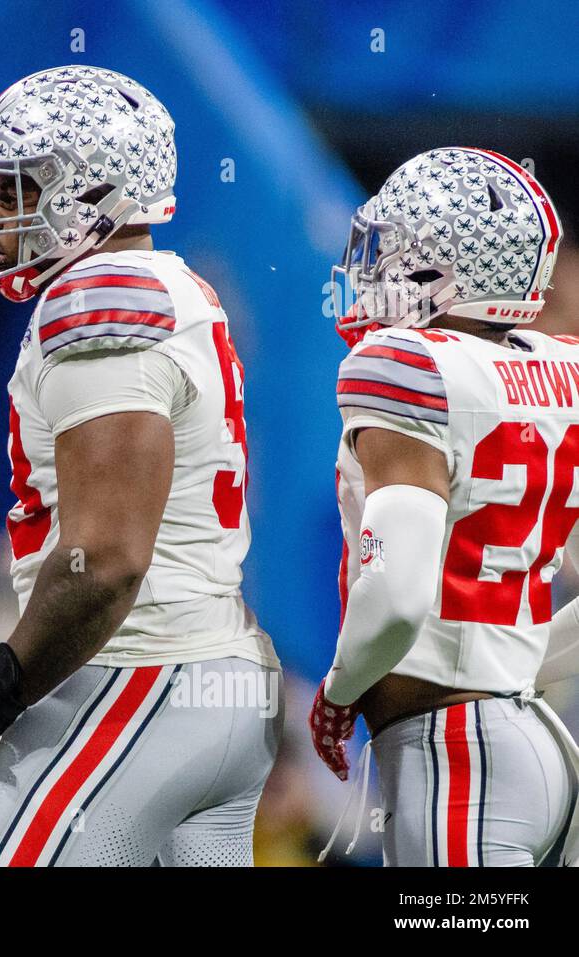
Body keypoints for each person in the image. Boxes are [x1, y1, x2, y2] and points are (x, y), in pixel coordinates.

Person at [0, 65, 282, 867]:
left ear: (89, 191)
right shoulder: (175, 284)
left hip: (136, 676)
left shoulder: (100, 296)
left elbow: (105, 562)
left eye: (19, 190)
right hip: (213, 677)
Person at [313, 147, 579, 866]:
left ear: (444, 270)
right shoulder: (562, 367)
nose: (367, 273)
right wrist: (519, 665)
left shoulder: (405, 365)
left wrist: (340, 691)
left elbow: (397, 596)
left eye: (388, 252)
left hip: (458, 757)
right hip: (536, 748)